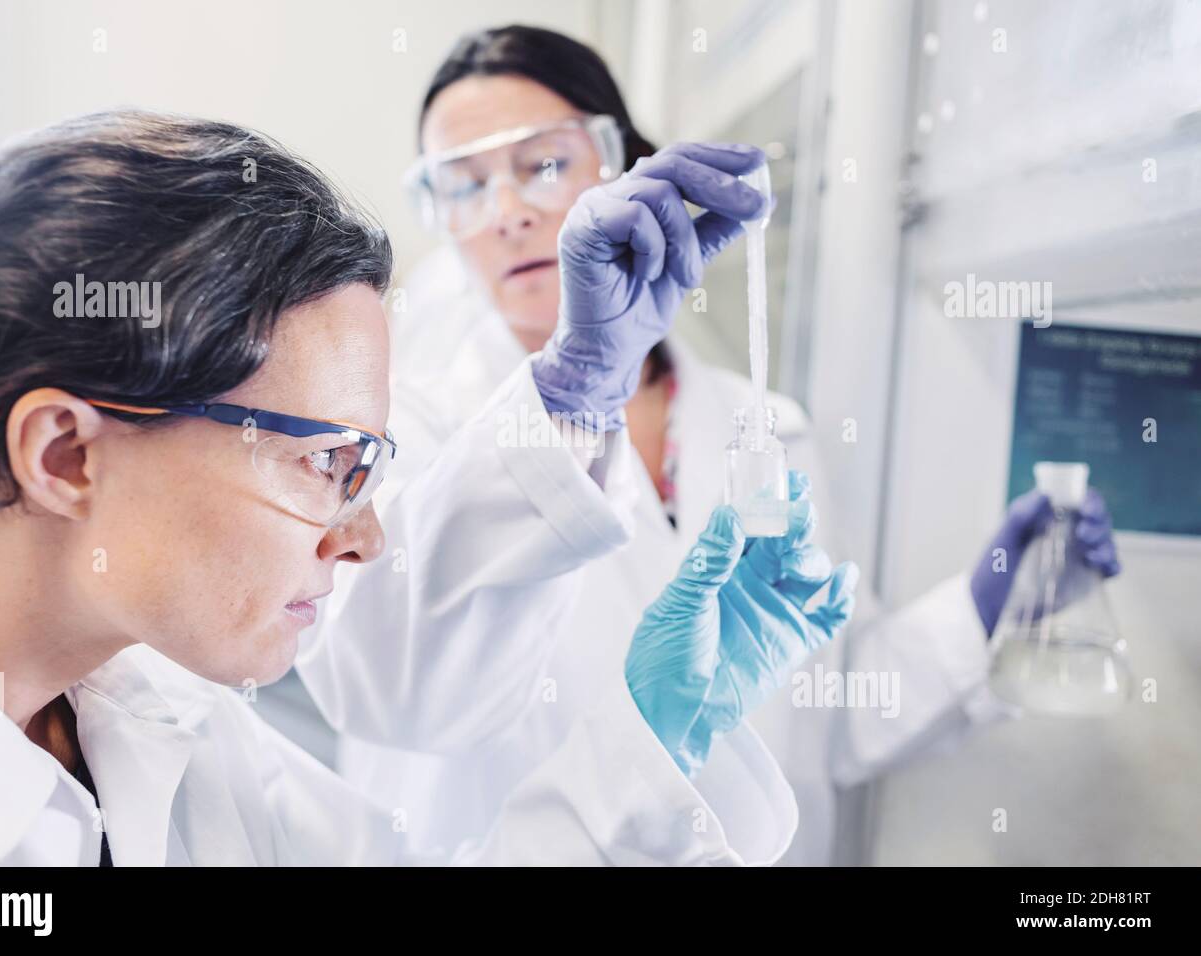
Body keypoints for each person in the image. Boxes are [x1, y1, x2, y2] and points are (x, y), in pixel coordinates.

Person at [0, 109, 851, 865]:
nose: (365, 540)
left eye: (367, 468)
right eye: (325, 462)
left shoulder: (155, 723)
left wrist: (654, 744)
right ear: (67, 454)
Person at [296, 25, 1122, 865]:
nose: (506, 212)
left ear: (626, 174)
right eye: (463, 185)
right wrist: (575, 389)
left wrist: (993, 605)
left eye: (543, 165)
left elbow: (817, 715)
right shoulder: (396, 430)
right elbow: (386, 686)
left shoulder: (766, 426)